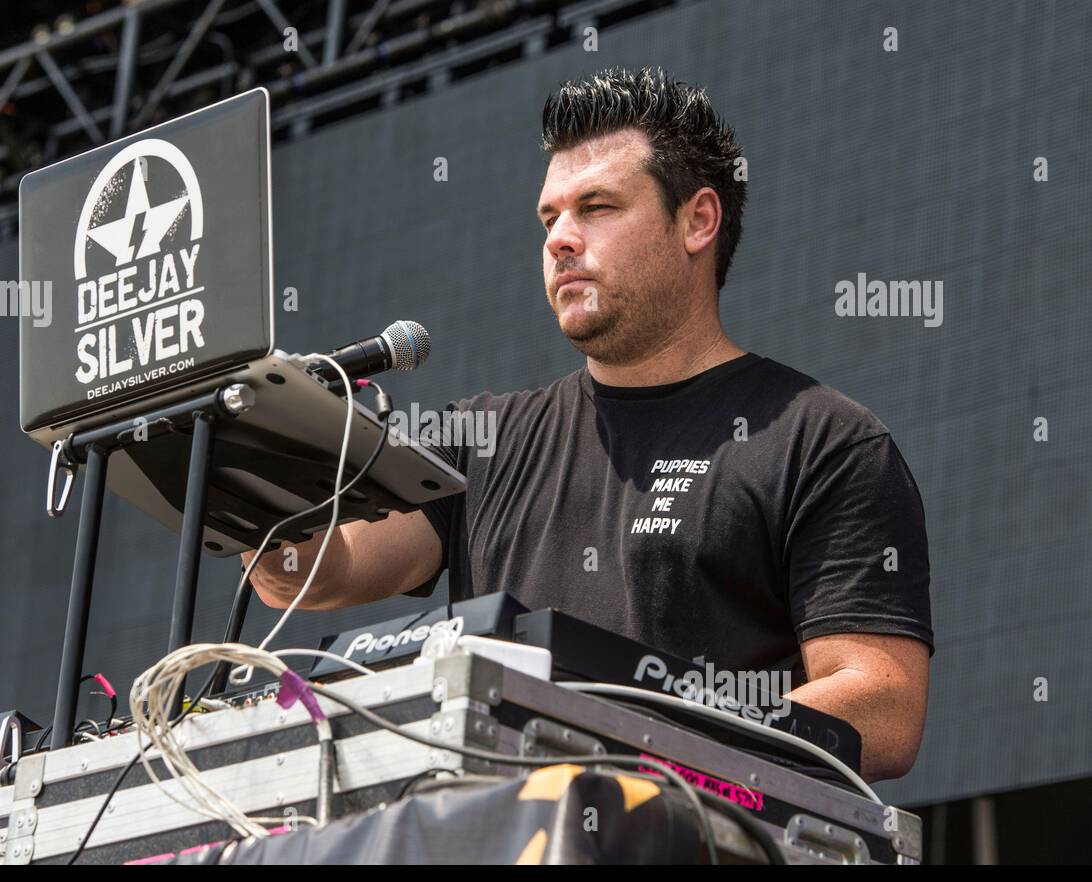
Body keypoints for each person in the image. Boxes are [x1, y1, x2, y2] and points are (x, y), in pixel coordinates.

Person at [247, 66, 932, 783]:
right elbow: (318, 571)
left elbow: (882, 706)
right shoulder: (477, 441)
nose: (560, 240)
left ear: (698, 220)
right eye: (550, 217)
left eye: (597, 207)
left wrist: (625, 750)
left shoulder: (822, 441)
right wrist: (259, 459)